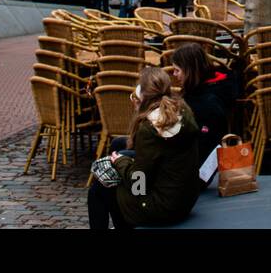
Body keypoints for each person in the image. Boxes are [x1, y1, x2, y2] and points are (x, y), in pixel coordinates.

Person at [86, 66, 201, 230]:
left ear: (143, 101)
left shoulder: (149, 129)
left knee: (99, 190)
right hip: (184, 197)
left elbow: (138, 181)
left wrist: (120, 162)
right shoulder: (182, 109)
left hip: (162, 207)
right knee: (119, 145)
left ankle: (126, 225)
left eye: (135, 99)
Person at [168, 42, 235, 163]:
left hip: (196, 165)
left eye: (177, 70)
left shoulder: (206, 102)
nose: (174, 74)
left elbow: (203, 144)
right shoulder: (202, 92)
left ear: (190, 71)